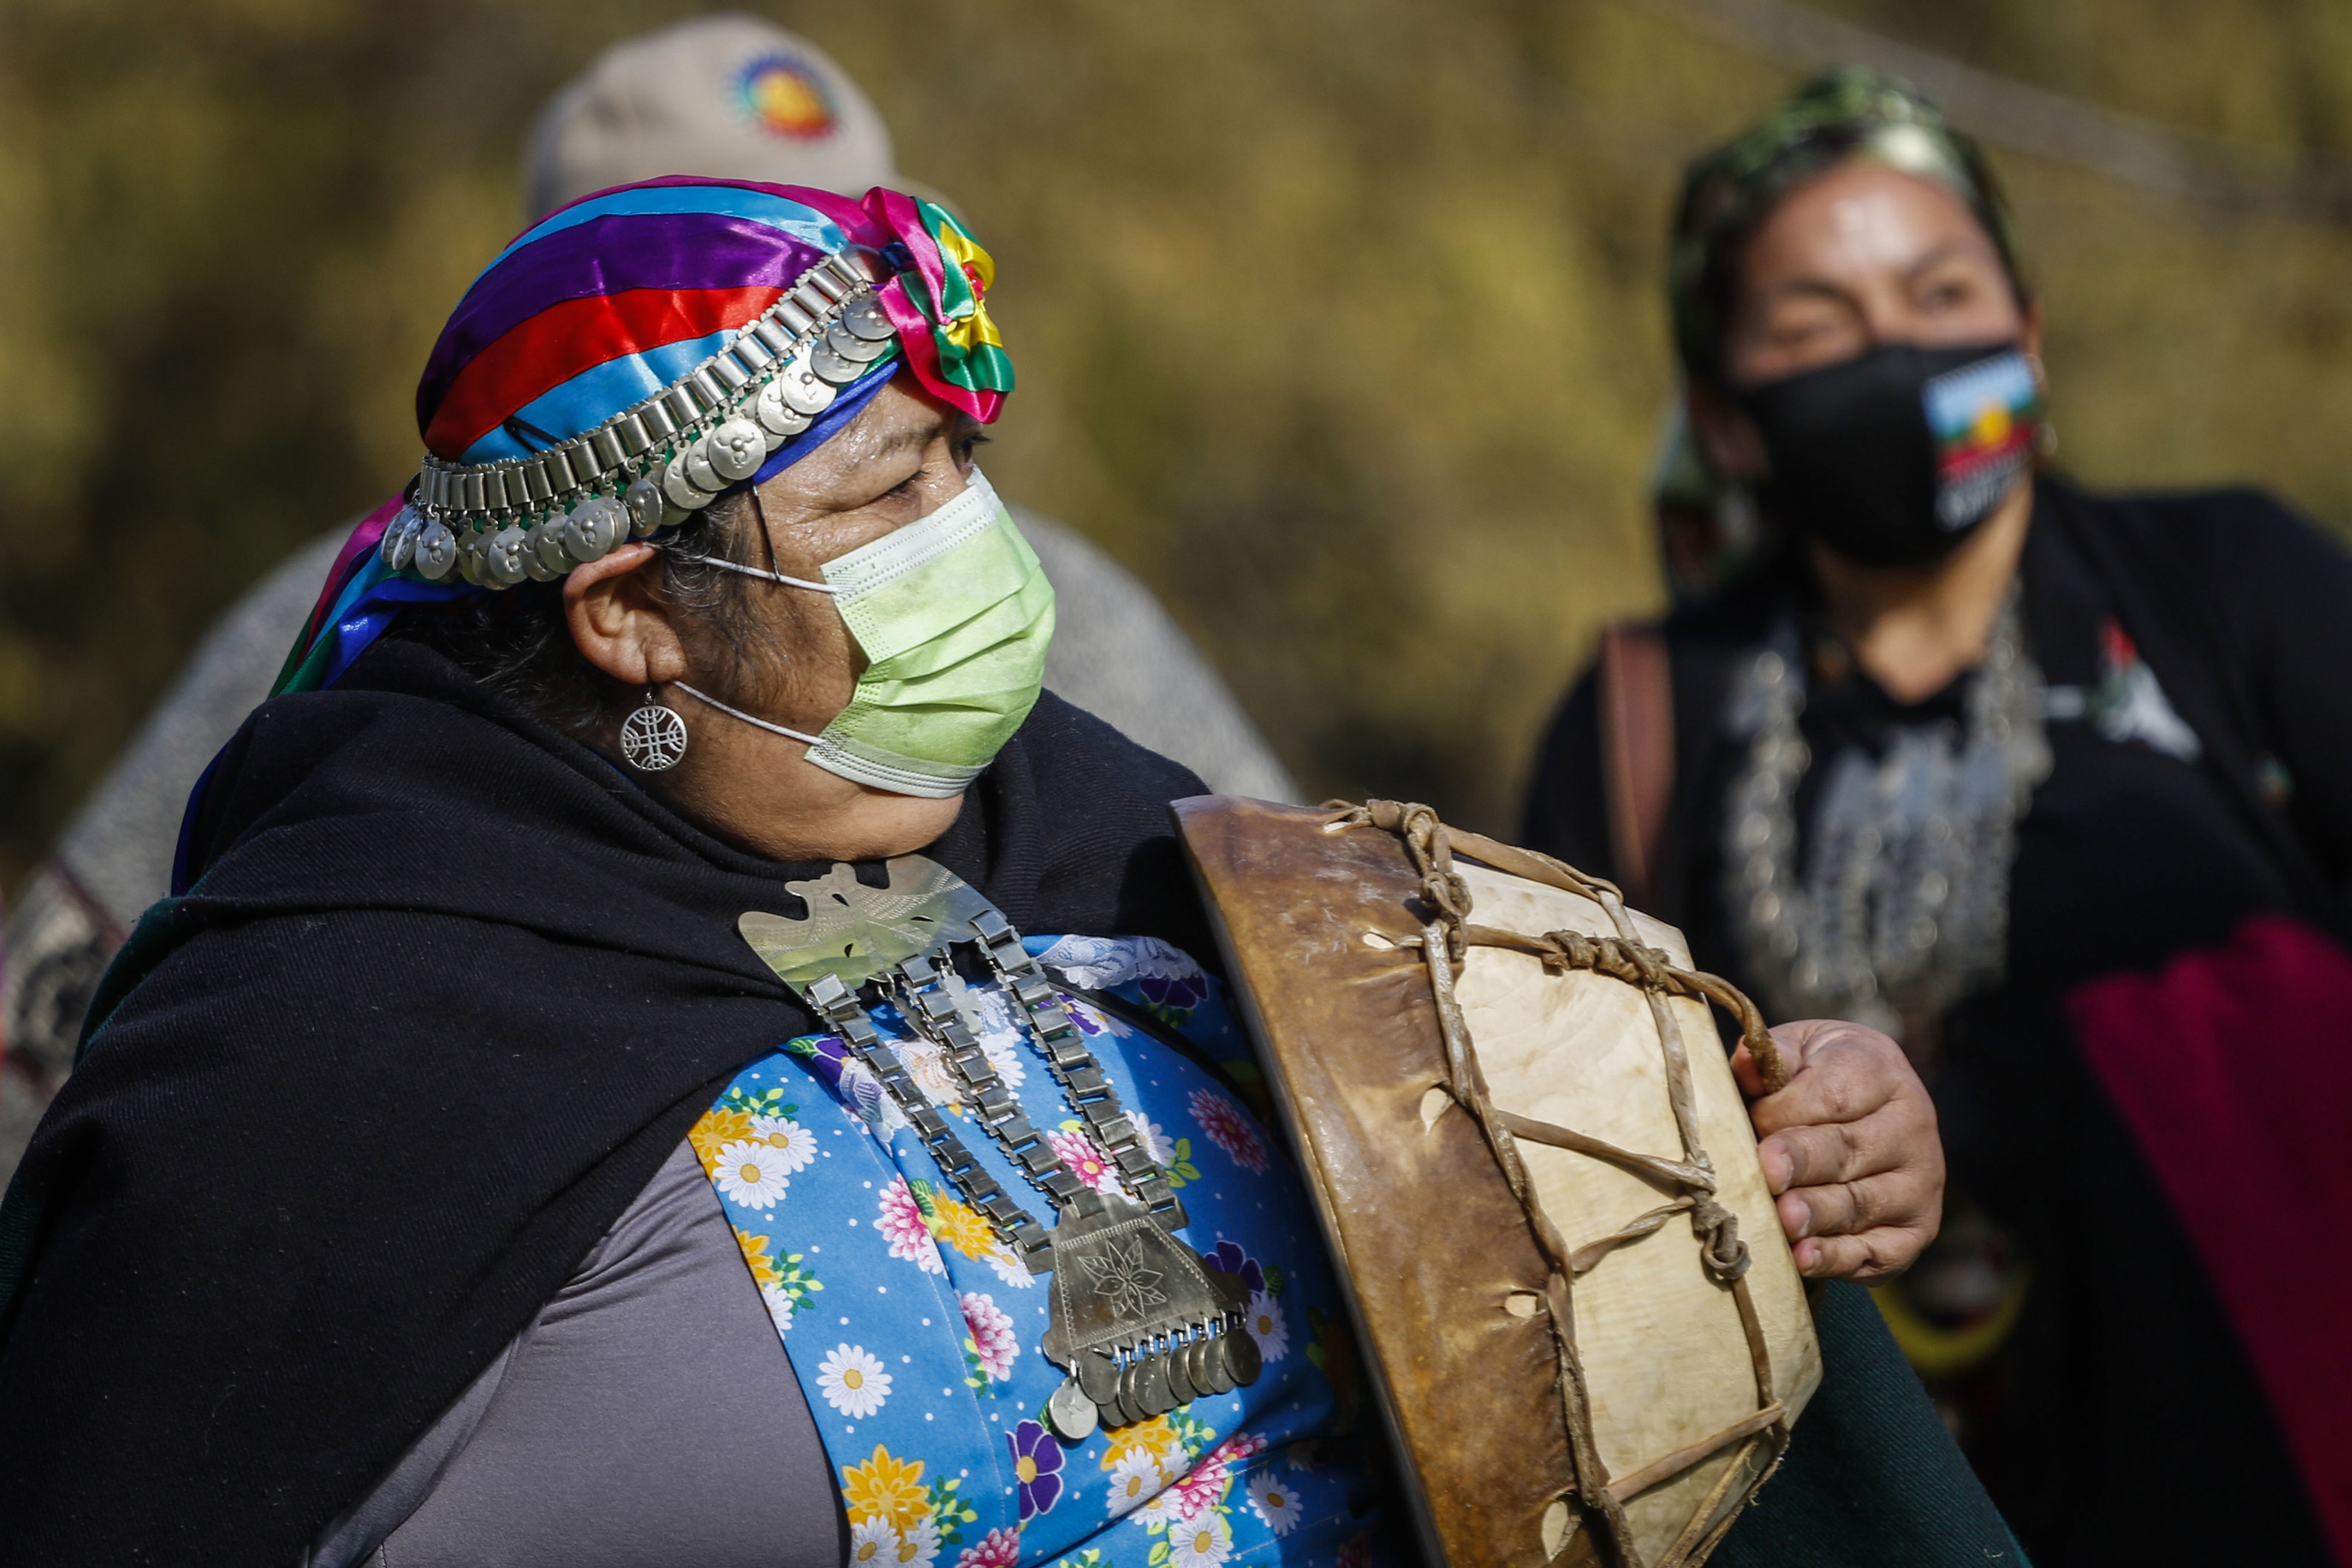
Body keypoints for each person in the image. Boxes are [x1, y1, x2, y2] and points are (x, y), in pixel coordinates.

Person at [0, 175, 1993, 1566]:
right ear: (631, 617)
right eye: (888, 494)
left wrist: (1790, 1126)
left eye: (962, 465)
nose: (972, 539)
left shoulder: (1086, 818)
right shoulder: (326, 1058)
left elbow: (1527, 1178)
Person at [0, 14, 1292, 1170]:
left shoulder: (1048, 599)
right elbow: (69, 1060)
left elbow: (1303, 962)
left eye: (841, 262)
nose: (826, 310)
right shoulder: (364, 663)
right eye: (745, 274)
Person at [1523, 67, 2352, 1567]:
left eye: (1940, 289)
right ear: (1726, 410)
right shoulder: (1648, 716)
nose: (1892, 351)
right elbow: (1560, 1122)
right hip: (1893, 1492)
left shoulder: (2231, 588)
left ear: (2028, 333)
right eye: (1814, 325)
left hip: (2272, 1439)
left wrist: (1978, 1102)